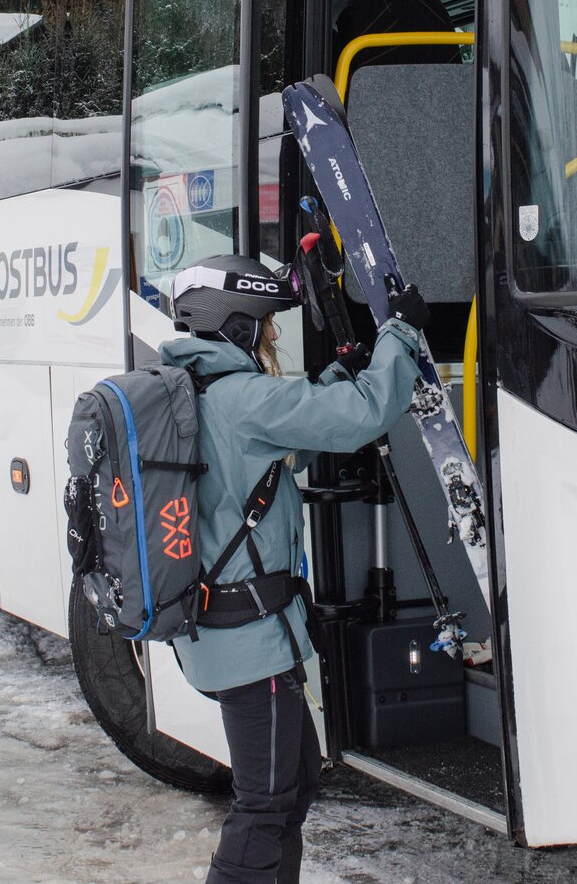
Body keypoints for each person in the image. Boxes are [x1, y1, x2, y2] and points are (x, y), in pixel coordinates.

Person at [162, 254, 428, 884]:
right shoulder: (242, 397)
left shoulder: (206, 393)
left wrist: (341, 371)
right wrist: (400, 335)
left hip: (232, 634)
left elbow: (300, 437)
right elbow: (362, 417)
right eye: (266, 323)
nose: (274, 335)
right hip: (248, 644)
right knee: (267, 803)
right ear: (236, 326)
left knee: (295, 782)